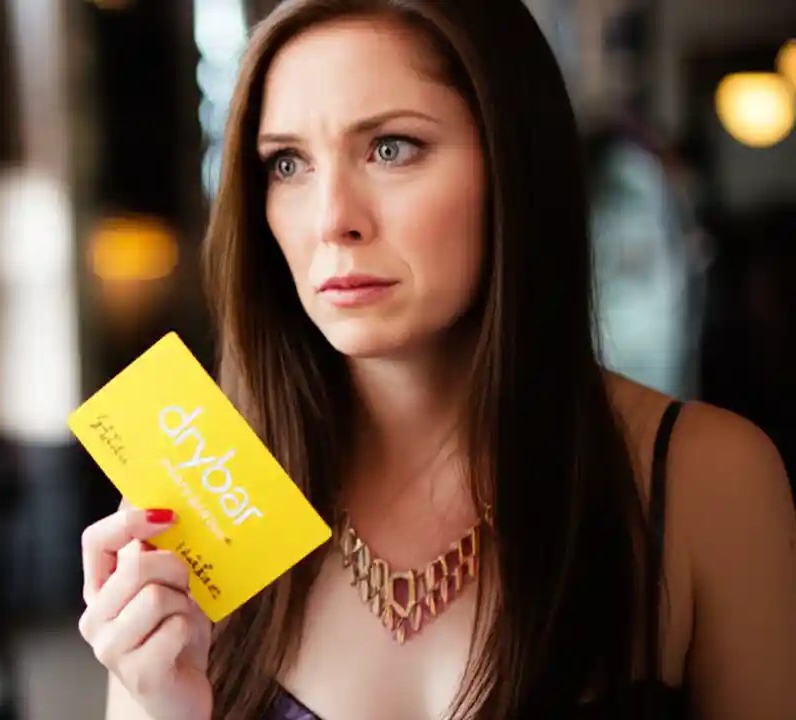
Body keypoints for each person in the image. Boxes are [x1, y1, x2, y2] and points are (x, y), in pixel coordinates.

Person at [76, 1, 796, 718]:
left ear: (514, 160)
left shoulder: (706, 481)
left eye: (390, 148)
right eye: (288, 163)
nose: (332, 218)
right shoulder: (200, 497)